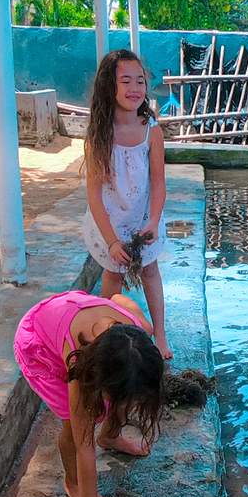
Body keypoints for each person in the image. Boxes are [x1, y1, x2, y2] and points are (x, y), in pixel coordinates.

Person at [14, 289, 164, 497]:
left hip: (76, 308)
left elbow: (118, 299)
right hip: (40, 343)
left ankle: (110, 436)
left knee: (121, 394)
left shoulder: (139, 333)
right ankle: (72, 485)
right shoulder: (80, 366)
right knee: (75, 427)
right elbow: (83, 446)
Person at [81, 49, 172, 360]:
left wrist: (153, 221)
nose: (135, 88)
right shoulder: (100, 134)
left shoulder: (152, 131)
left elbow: (158, 182)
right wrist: (111, 240)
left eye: (140, 81)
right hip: (112, 219)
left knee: (150, 271)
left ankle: (159, 335)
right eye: (125, 81)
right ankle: (104, 338)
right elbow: (93, 194)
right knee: (113, 275)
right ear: (110, 86)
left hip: (144, 216)